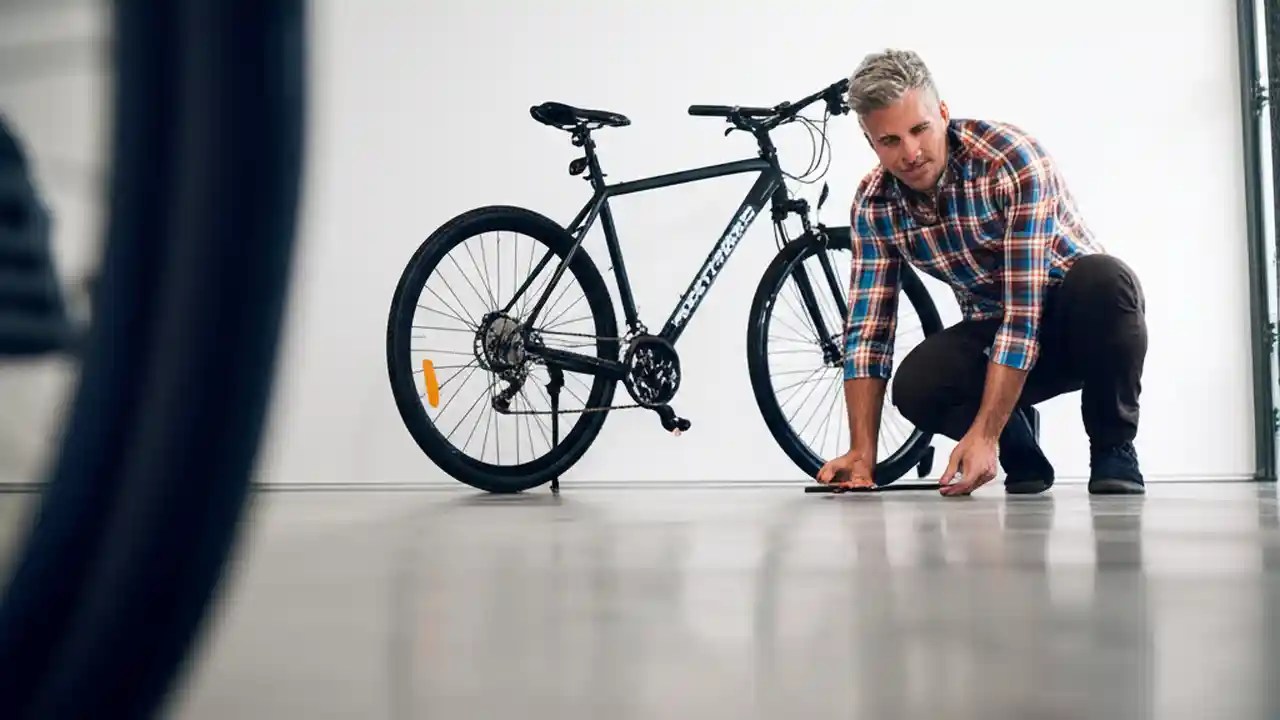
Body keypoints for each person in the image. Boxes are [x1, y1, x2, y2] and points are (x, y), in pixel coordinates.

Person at [815, 49, 1148, 496]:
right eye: (889, 141)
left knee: (1105, 280)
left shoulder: (1010, 161)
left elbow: (1024, 315)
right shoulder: (875, 204)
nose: (910, 153)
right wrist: (862, 452)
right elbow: (869, 331)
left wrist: (983, 431)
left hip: (1082, 324)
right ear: (869, 140)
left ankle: (1113, 448)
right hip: (996, 333)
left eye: (919, 129)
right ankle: (1018, 452)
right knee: (916, 386)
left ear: (944, 114)